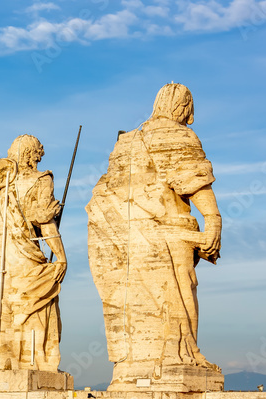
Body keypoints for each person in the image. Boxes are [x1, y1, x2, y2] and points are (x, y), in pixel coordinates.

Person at [87, 82, 222, 381]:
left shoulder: (126, 142)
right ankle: (178, 357)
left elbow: (105, 191)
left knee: (135, 301)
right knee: (178, 295)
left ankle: (133, 367)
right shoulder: (176, 134)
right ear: (183, 107)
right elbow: (191, 178)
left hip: (126, 239)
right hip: (164, 234)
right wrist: (213, 219)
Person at [0, 135, 67, 372]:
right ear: (33, 155)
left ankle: (6, 361)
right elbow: (44, 220)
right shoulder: (41, 179)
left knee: (8, 305)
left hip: (2, 257)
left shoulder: (1, 188)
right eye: (38, 154)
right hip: (26, 256)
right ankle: (36, 363)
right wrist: (60, 256)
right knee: (36, 303)